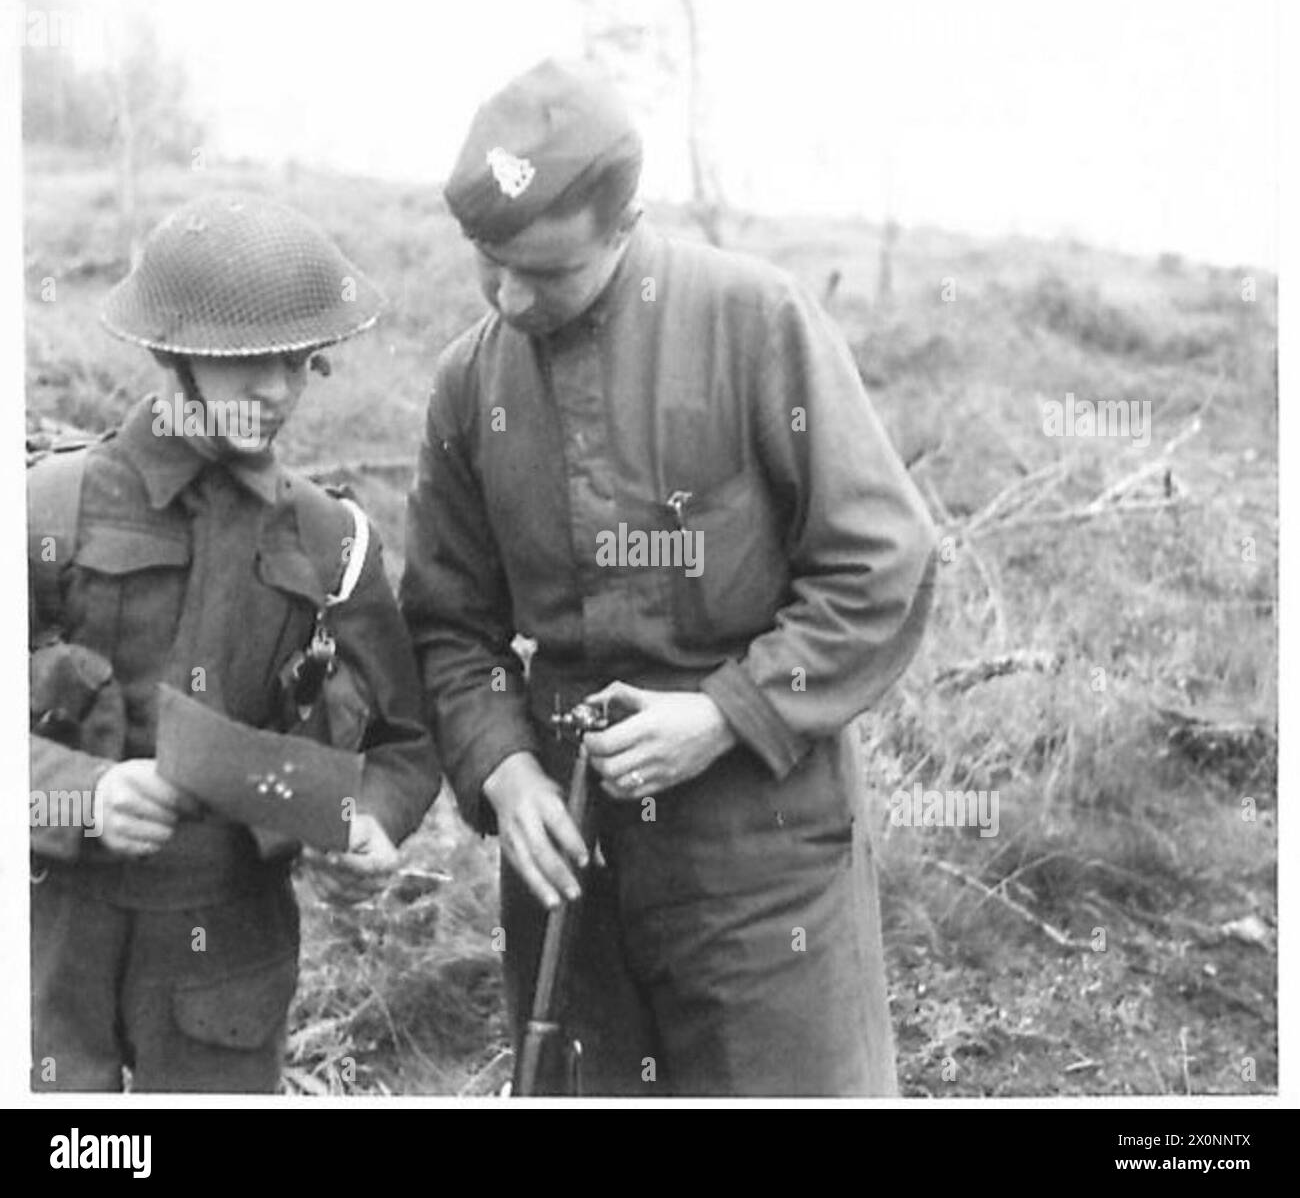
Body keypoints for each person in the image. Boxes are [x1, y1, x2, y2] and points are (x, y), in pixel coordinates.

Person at [401, 59, 937, 1096]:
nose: (510, 299)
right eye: (488, 263)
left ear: (625, 224)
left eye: (545, 274)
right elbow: (445, 623)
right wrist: (505, 771)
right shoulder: (469, 383)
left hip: (760, 848)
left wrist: (726, 712)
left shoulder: (756, 321)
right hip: (570, 845)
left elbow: (881, 560)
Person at [29, 193, 440, 1092]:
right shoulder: (48, 512)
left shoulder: (333, 542)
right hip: (51, 941)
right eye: (250, 364)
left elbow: (405, 746)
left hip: (231, 956)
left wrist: (374, 816)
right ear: (173, 357)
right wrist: (77, 795)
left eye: (299, 362)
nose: (279, 392)